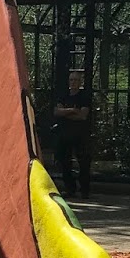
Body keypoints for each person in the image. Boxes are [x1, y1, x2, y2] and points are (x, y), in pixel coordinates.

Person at [54, 68, 92, 200]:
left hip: (80, 135)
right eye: (71, 80)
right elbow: (57, 112)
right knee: (64, 162)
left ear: (80, 82)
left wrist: (65, 113)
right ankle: (70, 189)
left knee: (83, 163)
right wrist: (72, 110)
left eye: (76, 80)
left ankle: (85, 191)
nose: (73, 82)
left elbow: (82, 116)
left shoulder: (84, 97)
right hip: (65, 134)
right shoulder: (63, 95)